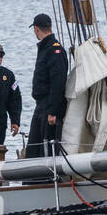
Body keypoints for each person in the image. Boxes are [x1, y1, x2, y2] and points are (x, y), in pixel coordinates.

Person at [24, 13, 68, 159]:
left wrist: (53, 111)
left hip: (49, 106)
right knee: (33, 149)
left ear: (36, 29)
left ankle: (48, 178)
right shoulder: (45, 47)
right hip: (41, 105)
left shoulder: (54, 49)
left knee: (46, 148)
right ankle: (33, 179)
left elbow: (58, 82)